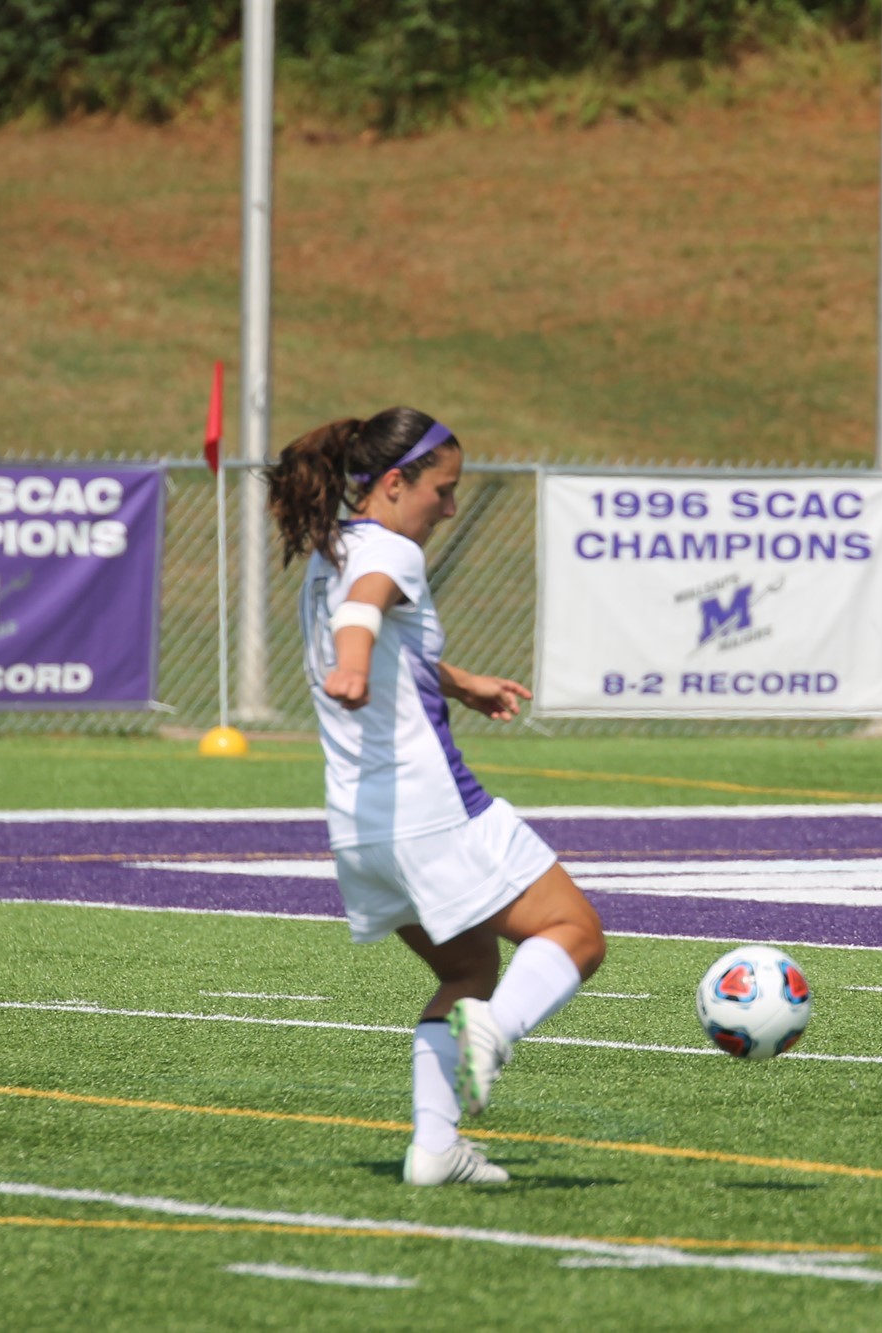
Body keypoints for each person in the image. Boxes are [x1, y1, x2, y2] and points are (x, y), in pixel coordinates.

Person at [266, 407, 606, 1187]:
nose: (449, 508)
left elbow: (376, 624)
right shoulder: (389, 551)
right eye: (442, 491)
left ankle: (434, 1146)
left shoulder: (332, 551)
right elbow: (368, 609)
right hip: (431, 808)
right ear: (393, 482)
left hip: (360, 829)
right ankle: (500, 1032)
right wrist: (351, 663)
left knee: (468, 969)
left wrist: (461, 681)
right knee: (575, 933)